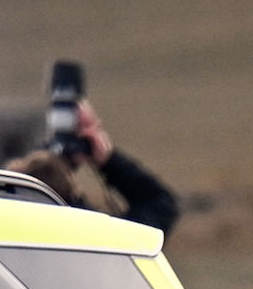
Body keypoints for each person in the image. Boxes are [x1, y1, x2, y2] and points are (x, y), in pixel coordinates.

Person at [14, 96, 182, 234]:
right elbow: (160, 203)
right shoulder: (99, 238)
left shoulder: (5, 227)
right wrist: (109, 161)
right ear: (72, 187)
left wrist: (50, 154)